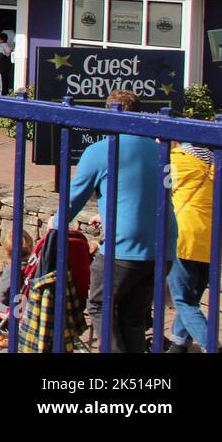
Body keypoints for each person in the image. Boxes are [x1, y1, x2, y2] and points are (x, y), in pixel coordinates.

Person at [55, 89, 175, 353]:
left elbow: (73, 199)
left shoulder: (101, 150)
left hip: (124, 247)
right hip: (162, 246)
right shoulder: (160, 151)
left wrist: (55, 227)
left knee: (99, 305)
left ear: (108, 113)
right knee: (133, 317)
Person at [167, 137, 215, 352]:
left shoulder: (175, 161)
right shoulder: (216, 162)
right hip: (211, 238)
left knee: (183, 299)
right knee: (193, 295)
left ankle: (211, 345)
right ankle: (178, 344)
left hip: (184, 234)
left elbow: (162, 193)